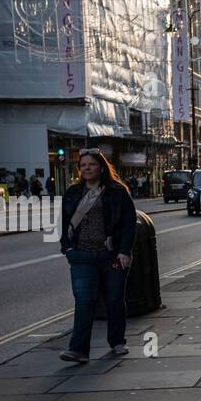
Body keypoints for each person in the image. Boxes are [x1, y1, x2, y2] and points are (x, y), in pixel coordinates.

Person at [58, 149, 137, 363]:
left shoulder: (117, 191)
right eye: (83, 165)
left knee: (113, 300)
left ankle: (117, 341)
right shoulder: (73, 193)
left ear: (101, 167)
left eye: (91, 164)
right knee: (84, 301)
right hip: (82, 256)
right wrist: (68, 249)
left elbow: (129, 224)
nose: (87, 168)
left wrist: (124, 251)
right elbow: (63, 223)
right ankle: (78, 350)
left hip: (110, 256)